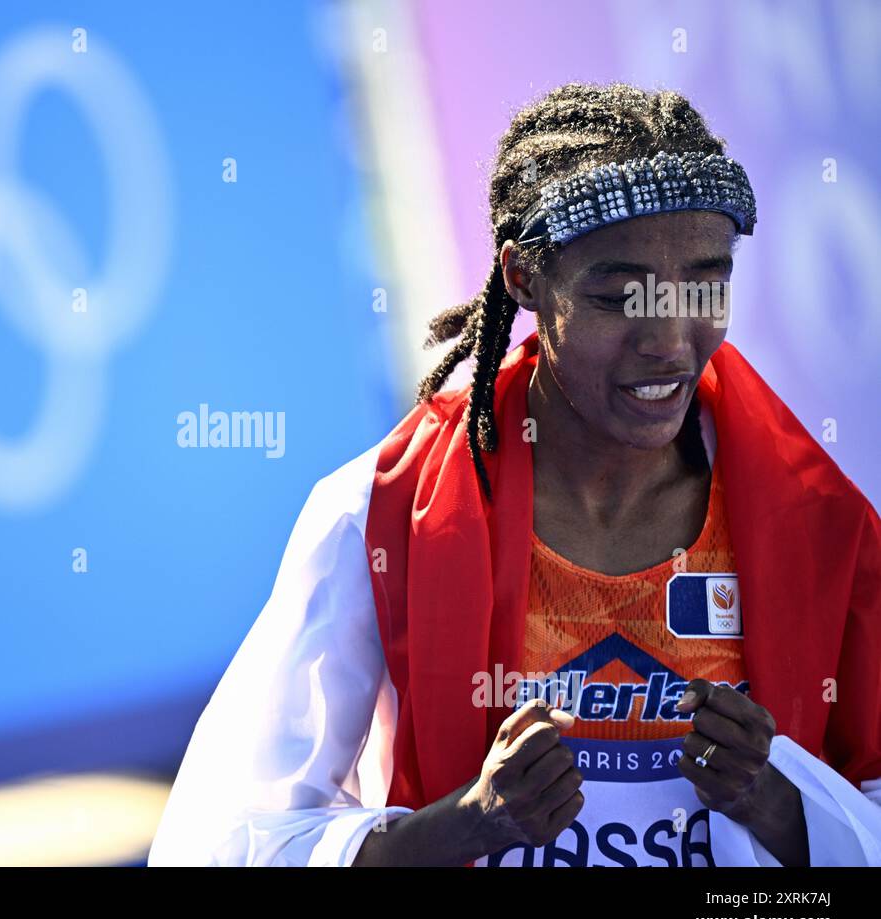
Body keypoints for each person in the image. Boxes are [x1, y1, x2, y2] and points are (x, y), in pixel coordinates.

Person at [147, 83, 881, 867]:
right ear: (524, 279)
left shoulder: (820, 522)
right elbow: (225, 846)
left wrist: (777, 807)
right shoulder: (381, 516)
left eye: (703, 285)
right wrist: (468, 824)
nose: (667, 340)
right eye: (617, 296)